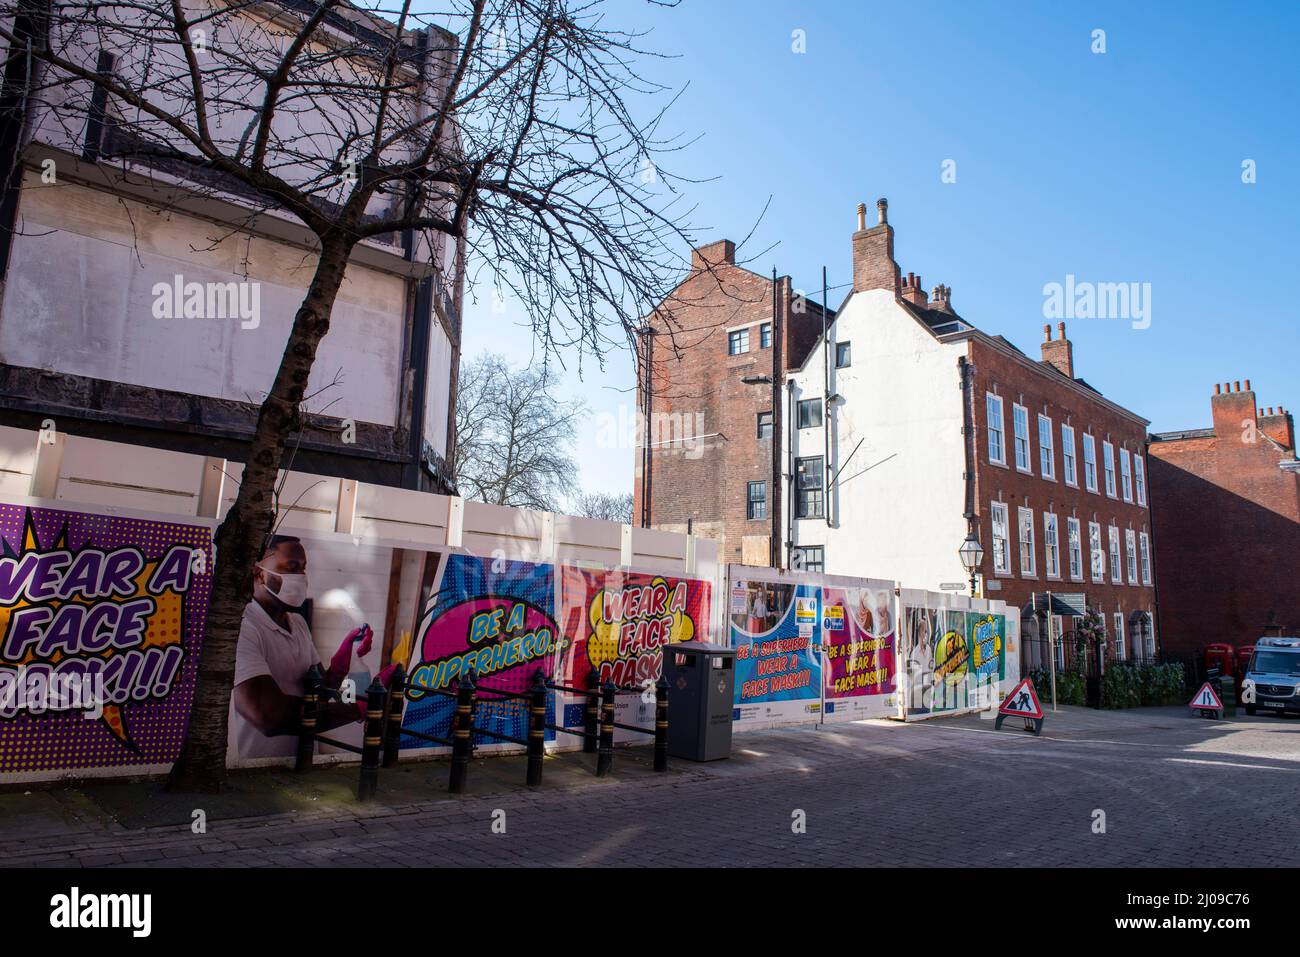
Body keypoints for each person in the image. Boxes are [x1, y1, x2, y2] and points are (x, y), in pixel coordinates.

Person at [231, 535, 384, 759]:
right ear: (258, 573)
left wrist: (341, 666)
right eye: (291, 567)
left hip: (300, 762)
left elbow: (319, 694)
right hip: (252, 770)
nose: (301, 577)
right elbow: (268, 716)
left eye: (303, 568)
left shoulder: (297, 623)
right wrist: (362, 708)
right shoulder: (243, 626)